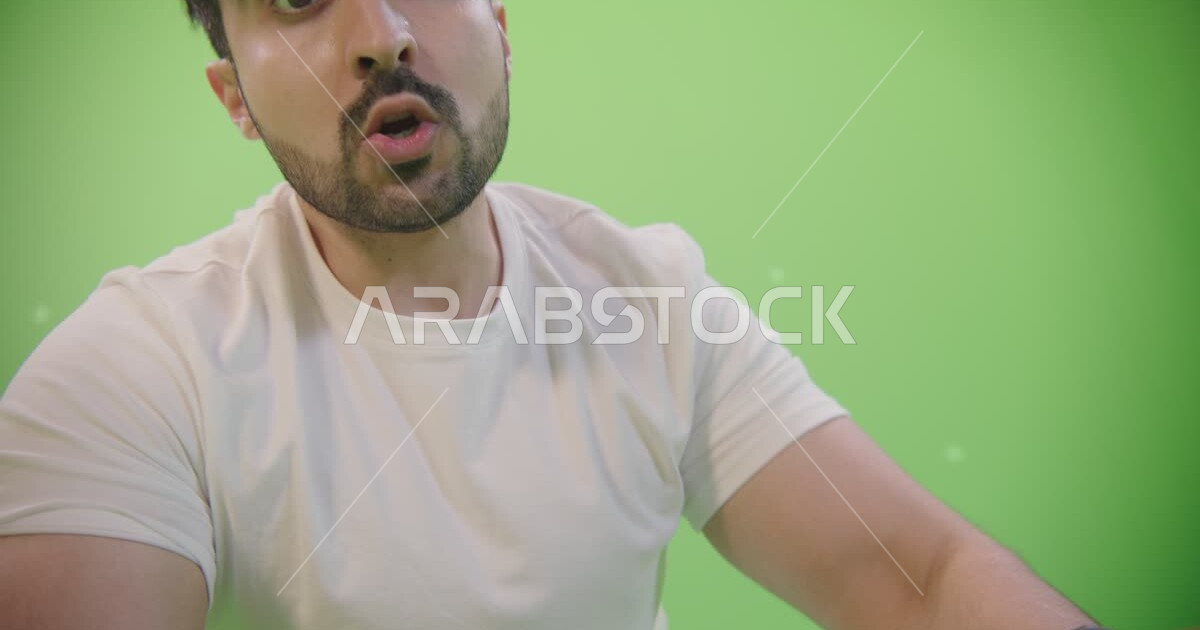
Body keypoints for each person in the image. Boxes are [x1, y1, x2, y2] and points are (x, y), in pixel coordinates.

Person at [0, 1, 1104, 628]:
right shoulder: (128, 373)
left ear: (501, 19)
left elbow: (919, 580)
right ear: (234, 98)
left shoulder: (652, 294)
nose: (381, 32)